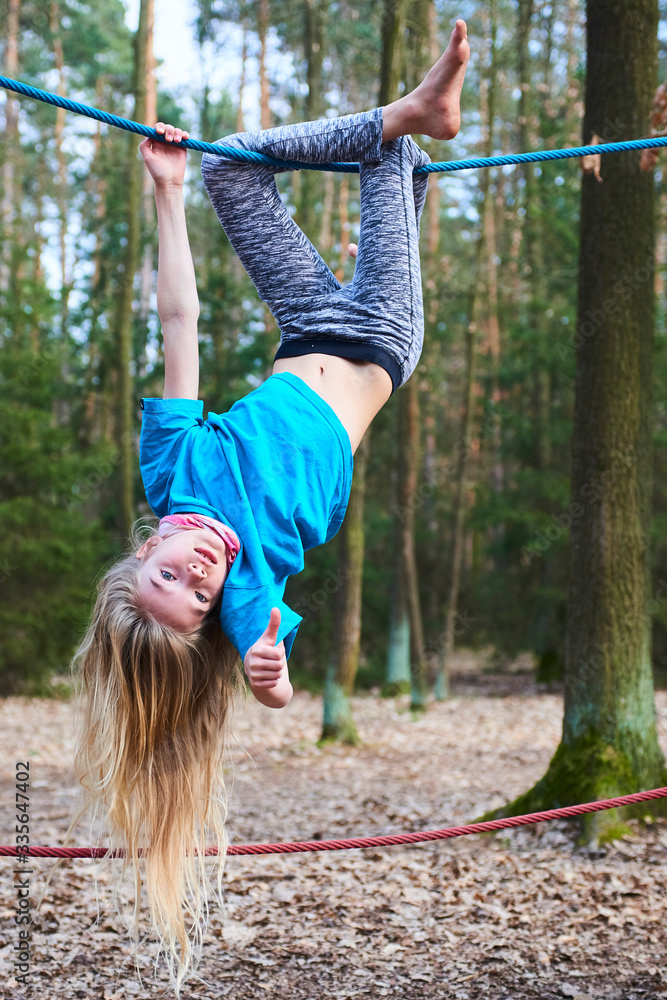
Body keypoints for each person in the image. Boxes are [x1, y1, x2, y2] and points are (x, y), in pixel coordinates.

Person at [69, 20, 470, 994]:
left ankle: (407, 141)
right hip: (378, 338)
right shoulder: (248, 600)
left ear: (144, 549)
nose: (197, 575)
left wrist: (164, 195)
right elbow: (273, 690)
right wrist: (265, 671)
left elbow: (180, 322)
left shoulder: (171, 466)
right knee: (391, 151)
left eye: (167, 575)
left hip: (307, 323)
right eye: (194, 600)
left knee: (228, 170)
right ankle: (415, 125)